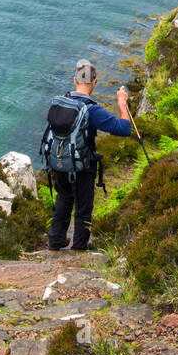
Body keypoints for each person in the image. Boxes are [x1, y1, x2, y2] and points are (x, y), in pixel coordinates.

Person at [45, 59, 134, 251]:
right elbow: (124, 129)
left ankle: (55, 240)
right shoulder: (92, 110)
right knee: (83, 207)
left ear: (75, 80)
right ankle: (79, 246)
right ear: (94, 82)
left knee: (63, 198)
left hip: (59, 161)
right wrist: (121, 103)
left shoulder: (60, 103)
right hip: (83, 166)